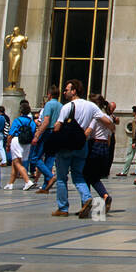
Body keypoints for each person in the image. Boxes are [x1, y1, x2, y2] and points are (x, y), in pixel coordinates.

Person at [52, 79, 108, 218]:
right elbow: (107, 121)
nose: (65, 92)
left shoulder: (67, 107)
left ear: (74, 91)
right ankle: (86, 198)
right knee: (78, 175)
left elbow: (58, 126)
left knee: (61, 178)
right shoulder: (91, 106)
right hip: (82, 145)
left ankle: (63, 208)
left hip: (66, 146)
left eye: (67, 89)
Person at [82, 92, 116, 214]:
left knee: (86, 174)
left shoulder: (96, 116)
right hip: (104, 147)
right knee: (93, 176)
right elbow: (109, 137)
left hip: (94, 145)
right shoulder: (108, 117)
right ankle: (105, 196)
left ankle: (86, 202)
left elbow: (88, 132)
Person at [6, 101, 34, 190]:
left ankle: (27, 181)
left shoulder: (17, 120)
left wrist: (7, 144)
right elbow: (33, 132)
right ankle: (10, 183)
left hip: (17, 140)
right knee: (16, 162)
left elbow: (11, 134)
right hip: (27, 143)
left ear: (20, 111)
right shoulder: (31, 122)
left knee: (17, 162)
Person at [117, 106, 136, 177]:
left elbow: (134, 132)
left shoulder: (135, 120)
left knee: (130, 155)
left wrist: (134, 141)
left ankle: (124, 171)